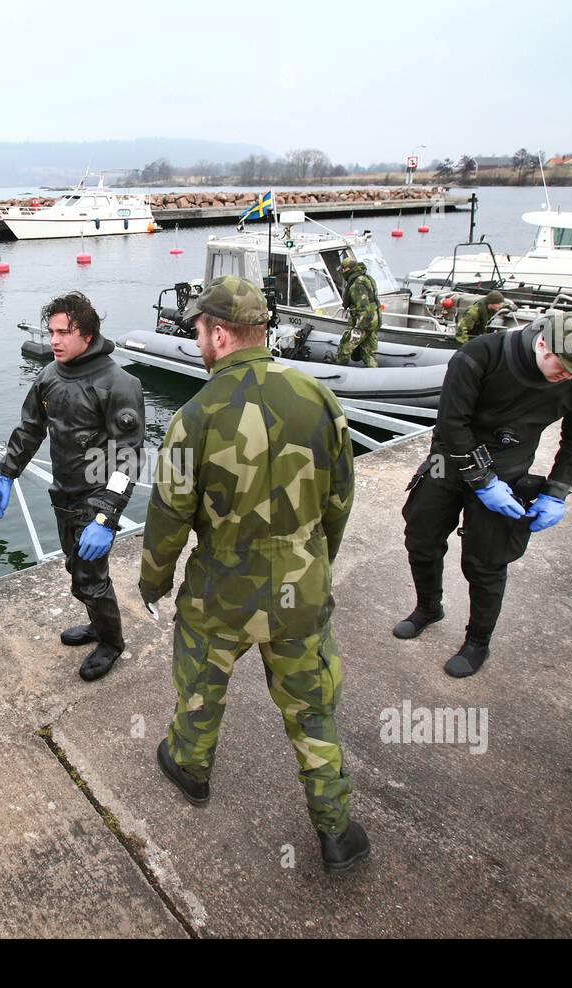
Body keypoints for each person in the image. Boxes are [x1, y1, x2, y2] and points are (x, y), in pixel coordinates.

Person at [139, 275, 367, 875]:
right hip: (301, 588)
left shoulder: (195, 415)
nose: (196, 339)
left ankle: (190, 768)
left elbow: (169, 517)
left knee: (200, 680)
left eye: (198, 330)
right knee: (312, 708)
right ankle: (337, 832)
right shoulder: (319, 397)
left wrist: (153, 584)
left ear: (218, 333)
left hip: (220, 593)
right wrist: (316, 563)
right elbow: (341, 498)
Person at [396, 310, 572, 678]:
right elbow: (452, 421)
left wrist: (557, 491)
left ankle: (478, 640)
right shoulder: (482, 354)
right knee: (421, 538)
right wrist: (482, 481)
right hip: (449, 457)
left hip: (509, 468)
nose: (568, 377)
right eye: (563, 367)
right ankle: (428, 607)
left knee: (485, 563)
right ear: (543, 343)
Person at [0, 292, 144, 681]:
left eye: (64, 333)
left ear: (88, 336)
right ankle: (98, 624)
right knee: (77, 571)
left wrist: (106, 516)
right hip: (64, 495)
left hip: (97, 498)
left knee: (92, 579)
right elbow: (30, 429)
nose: (55, 340)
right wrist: (8, 472)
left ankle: (111, 642)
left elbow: (129, 456)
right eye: (52, 332)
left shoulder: (120, 384)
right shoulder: (49, 377)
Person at [334, 253, 380, 368]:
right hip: (372, 321)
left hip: (362, 323)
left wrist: (358, 328)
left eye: (344, 269)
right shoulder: (366, 278)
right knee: (368, 352)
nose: (342, 272)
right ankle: (373, 373)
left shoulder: (357, 284)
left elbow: (363, 307)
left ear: (349, 269)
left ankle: (338, 373)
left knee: (344, 349)